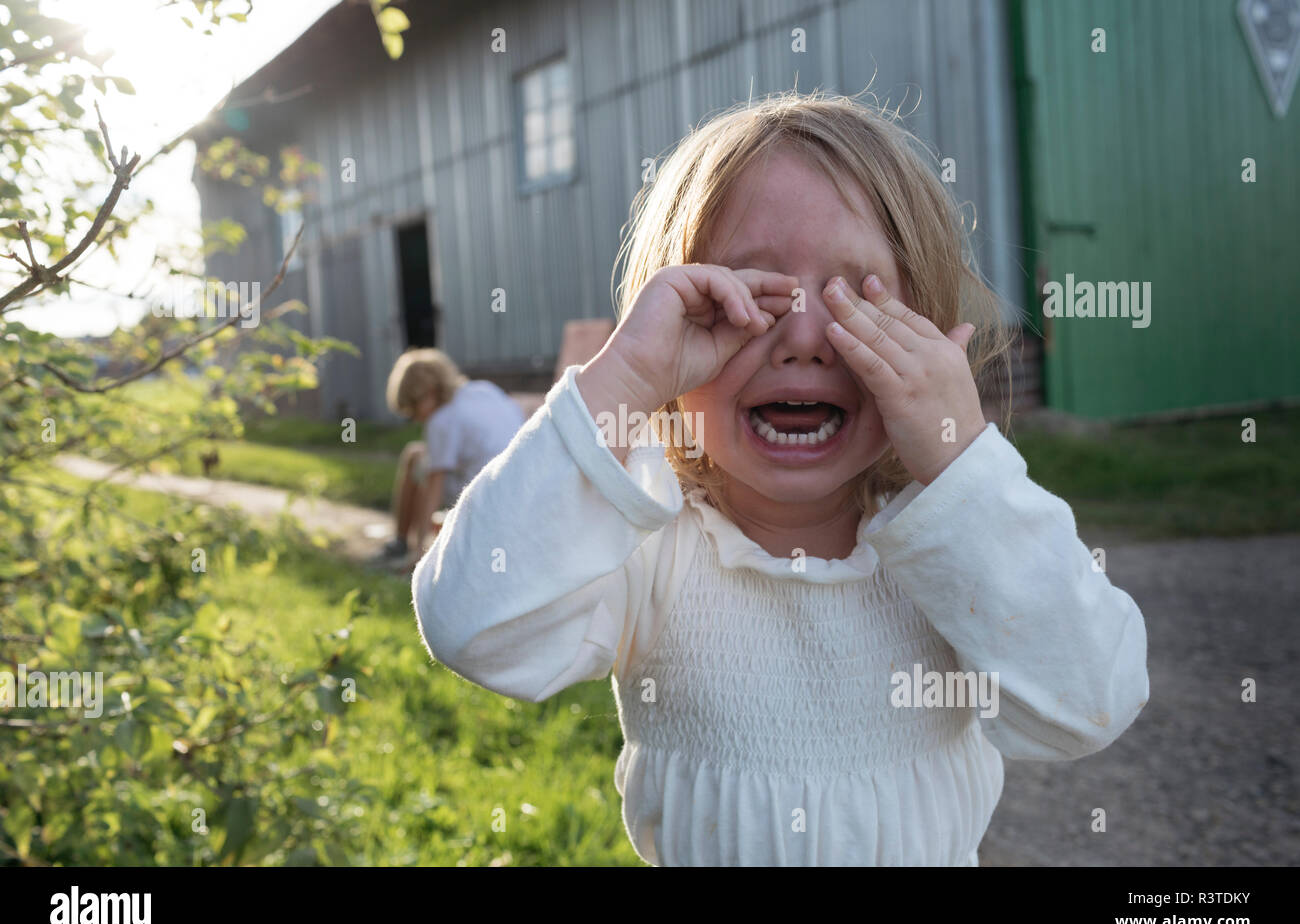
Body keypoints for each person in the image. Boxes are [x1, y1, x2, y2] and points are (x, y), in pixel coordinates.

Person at [411, 92, 1149, 865]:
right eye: (749, 294)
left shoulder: (958, 544)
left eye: (855, 297)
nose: (803, 338)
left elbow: (1089, 703)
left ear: (926, 328)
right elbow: (473, 627)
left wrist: (957, 460)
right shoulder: (653, 547)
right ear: (672, 333)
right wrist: (623, 379)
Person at [380, 348, 525, 565]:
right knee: (425, 455)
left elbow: (434, 484)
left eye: (414, 408)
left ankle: (405, 543)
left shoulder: (442, 419)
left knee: (417, 459)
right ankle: (412, 542)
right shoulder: (484, 389)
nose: (415, 418)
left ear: (429, 392)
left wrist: (420, 554)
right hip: (515, 486)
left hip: (479, 496)